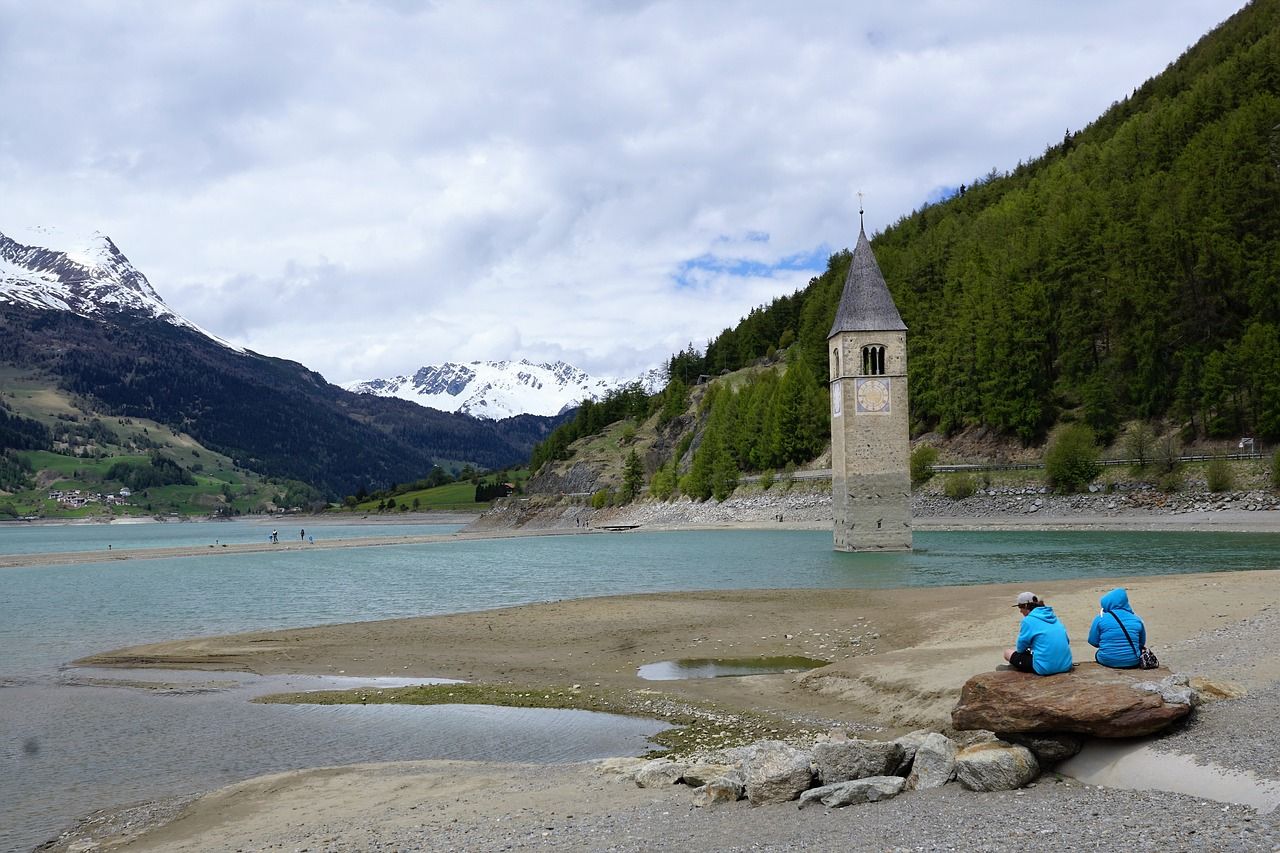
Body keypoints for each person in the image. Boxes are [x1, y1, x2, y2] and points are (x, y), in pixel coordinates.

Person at [1003, 591, 1072, 675]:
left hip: (1045, 668)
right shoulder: (1053, 617)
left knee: (1007, 653)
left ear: (1026, 606)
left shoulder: (1028, 621)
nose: (1020, 611)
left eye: (1020, 607)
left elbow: (1020, 648)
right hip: (1066, 665)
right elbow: (1067, 641)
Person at [1088, 587, 1147, 668]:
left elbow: (1092, 641)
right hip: (1133, 661)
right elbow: (1141, 643)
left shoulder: (1100, 618)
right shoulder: (1137, 619)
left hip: (1106, 660)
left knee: (1099, 653)